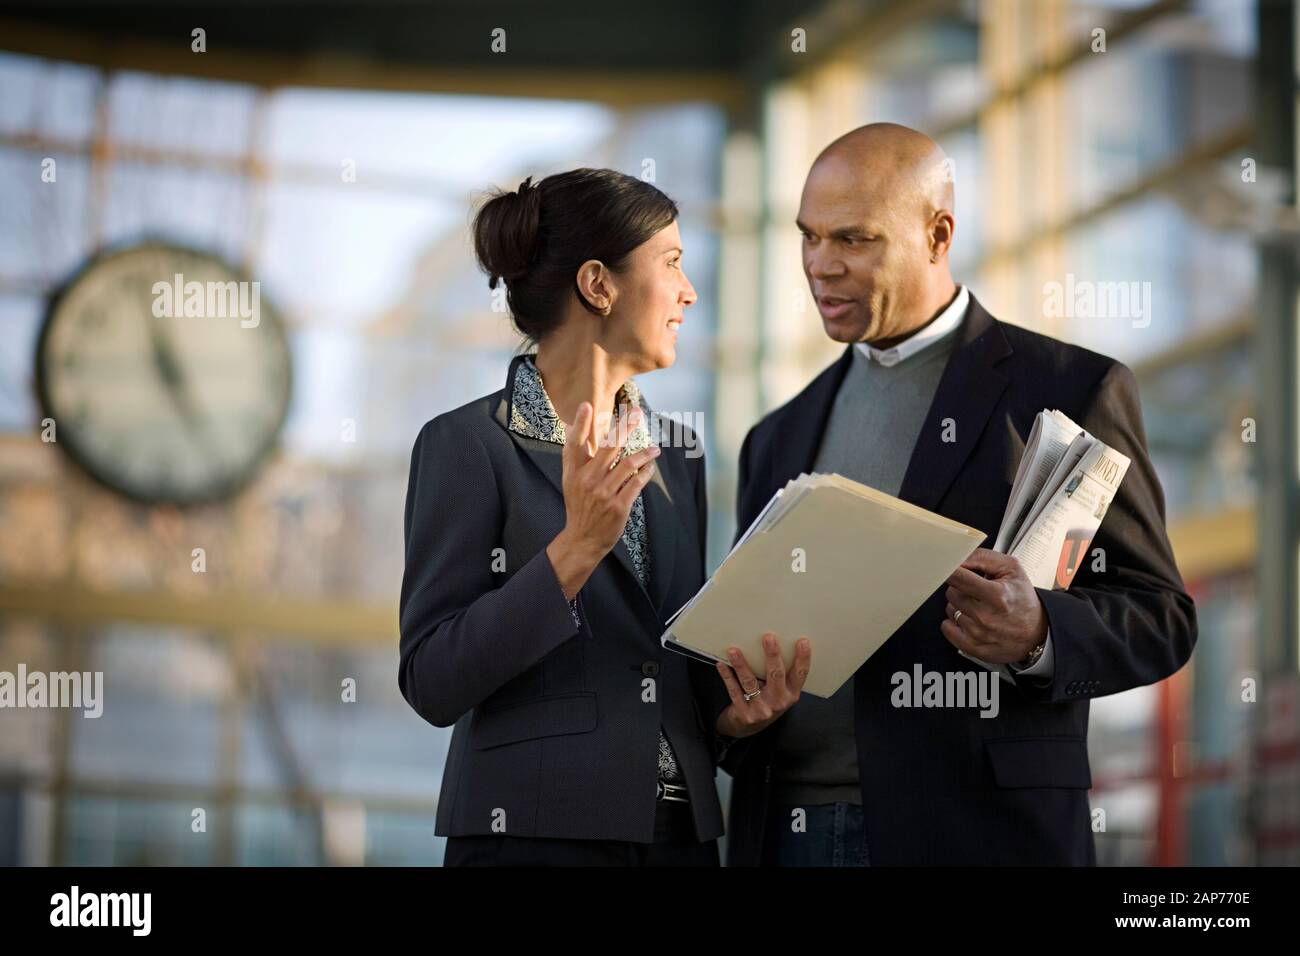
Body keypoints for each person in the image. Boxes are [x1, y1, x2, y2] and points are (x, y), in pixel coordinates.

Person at [722, 124, 1197, 866]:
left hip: (977, 834)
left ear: (938, 235)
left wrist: (1040, 631)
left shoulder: (1071, 391)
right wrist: (734, 703)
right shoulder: (775, 437)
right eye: (808, 238)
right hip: (787, 830)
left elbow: (1160, 615)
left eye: (853, 239)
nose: (821, 266)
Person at [397, 168, 808, 866]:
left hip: (680, 842)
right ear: (598, 284)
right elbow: (433, 678)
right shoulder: (468, 445)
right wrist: (574, 551)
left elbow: (670, 658)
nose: (689, 291)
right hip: (532, 839)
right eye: (672, 263)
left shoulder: (677, 454)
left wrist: (731, 718)